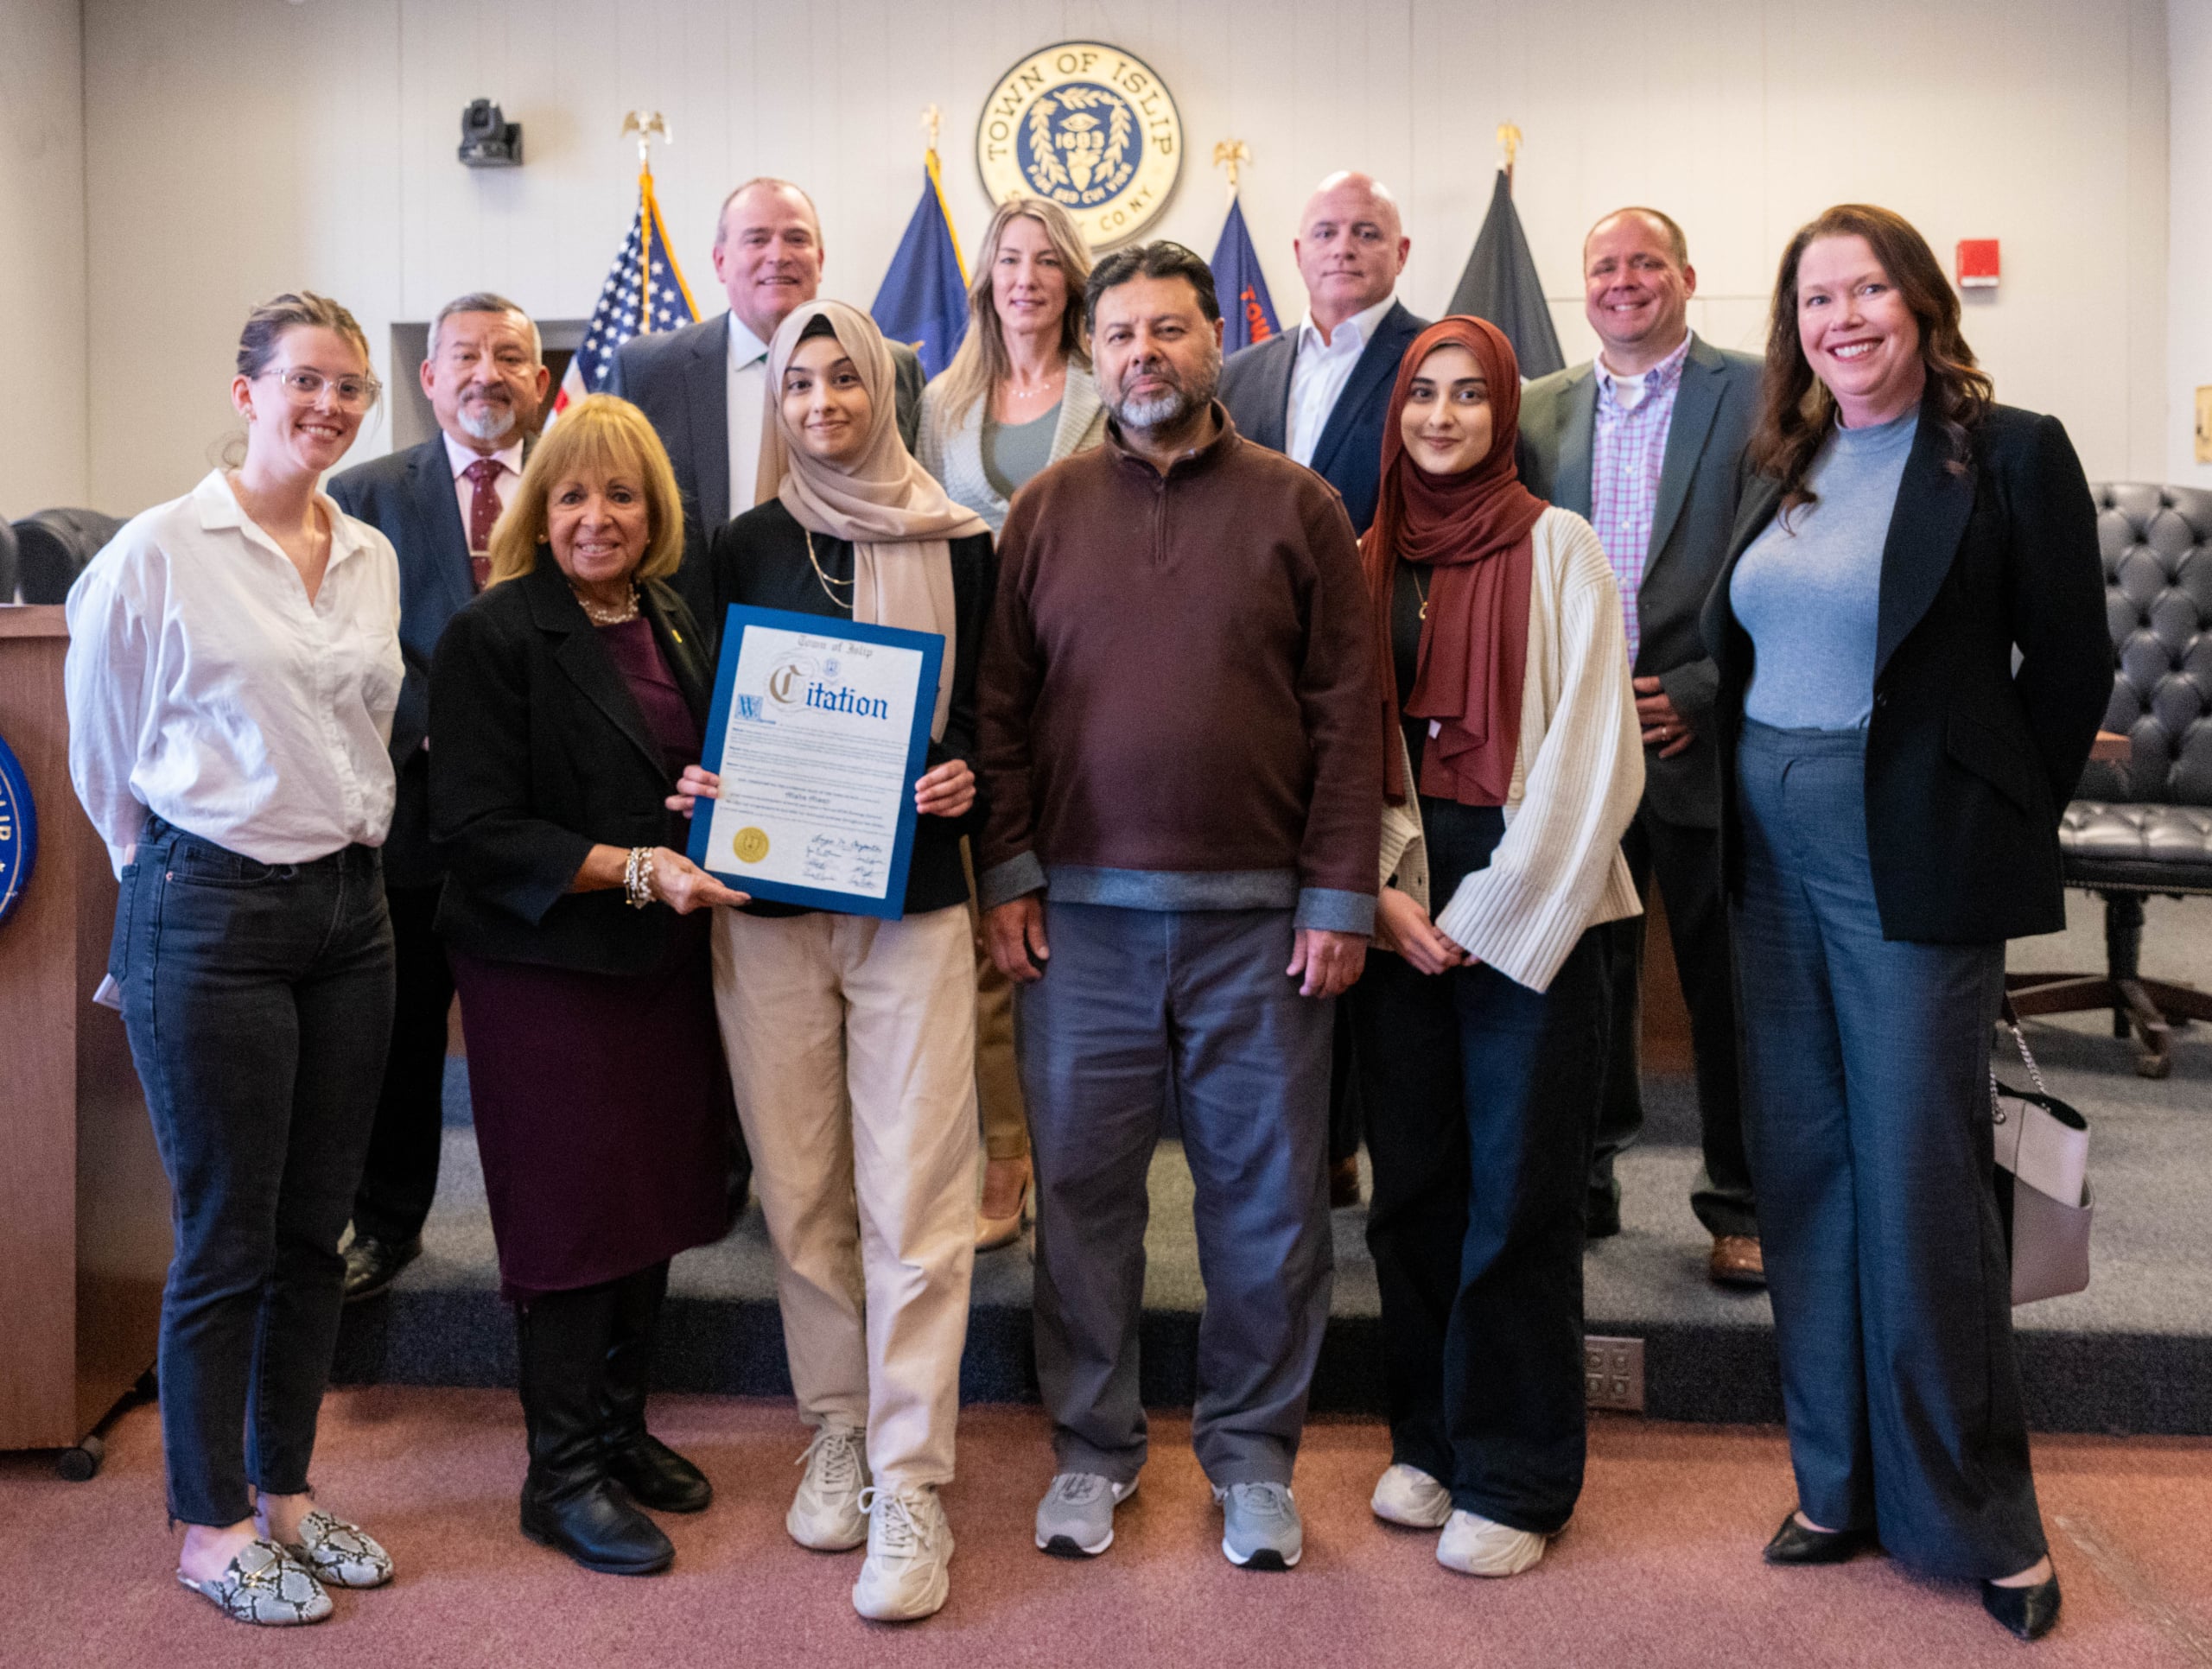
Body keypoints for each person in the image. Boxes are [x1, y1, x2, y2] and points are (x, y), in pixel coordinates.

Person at [1702, 204, 2107, 1641]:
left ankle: (1980, 1518)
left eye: (1868, 288)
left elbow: (2072, 661)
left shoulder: (2008, 452)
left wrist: (1999, 817)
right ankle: (1842, 1482)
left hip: (1911, 852)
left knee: (1926, 1180)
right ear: (1793, 327)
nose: (1843, 318)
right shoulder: (1784, 455)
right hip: (1768, 845)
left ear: (1922, 303)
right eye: (1817, 298)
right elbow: (1742, 643)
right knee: (1804, 1168)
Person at [979, 242, 1379, 1573]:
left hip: (1261, 928)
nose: (1142, 354)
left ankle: (1254, 1459)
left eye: (1168, 330)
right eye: (1119, 336)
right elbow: (1002, 716)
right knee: (1083, 1200)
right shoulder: (1040, 509)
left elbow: (1346, 718)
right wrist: (1010, 873)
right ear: (1091, 356)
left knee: (1265, 1206)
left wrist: (1336, 895)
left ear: (1220, 340)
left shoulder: (1300, 506)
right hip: (1080, 926)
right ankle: (1094, 1451)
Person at [64, 292, 402, 1626]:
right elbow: (104, 756)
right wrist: (178, 867)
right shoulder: (157, 551)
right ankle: (207, 1523)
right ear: (248, 389)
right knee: (225, 1234)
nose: (329, 407)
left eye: (353, 390)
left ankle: (287, 1492)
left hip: (351, 916)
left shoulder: (367, 551)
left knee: (315, 1230)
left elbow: (366, 725)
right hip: (206, 912)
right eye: (306, 382)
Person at [675, 301, 990, 1622]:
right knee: (803, 1190)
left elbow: (999, 711)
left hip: (914, 906)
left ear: (883, 390)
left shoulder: (966, 542)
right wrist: (693, 781)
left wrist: (975, 768)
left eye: (842, 379)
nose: (819, 403)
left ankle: (913, 1478)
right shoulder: (738, 543)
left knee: (916, 1194)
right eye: (797, 383)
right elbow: (697, 710)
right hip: (770, 911)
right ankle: (838, 1425)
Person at [428, 393, 747, 1579]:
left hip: (658, 962)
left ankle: (617, 1432)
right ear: (536, 509)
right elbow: (473, 826)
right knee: (572, 1218)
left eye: (622, 494)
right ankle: (556, 1475)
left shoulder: (669, 615)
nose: (598, 517)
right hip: (544, 972)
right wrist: (638, 868)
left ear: (656, 511)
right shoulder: (495, 632)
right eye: (572, 495)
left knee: (652, 1199)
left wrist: (710, 800)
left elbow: (672, 766)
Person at [1350, 317, 1643, 1578]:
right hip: (1399, 896)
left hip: (1537, 891)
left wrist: (1491, 910)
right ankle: (1429, 1440)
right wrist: (1377, 893)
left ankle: (1518, 1476)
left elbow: (1592, 755)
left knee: (1519, 1195)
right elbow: (1334, 745)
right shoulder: (1362, 559)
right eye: (1425, 393)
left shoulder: (1561, 546)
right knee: (1413, 1190)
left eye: (1472, 396)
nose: (1445, 416)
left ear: (1505, 411)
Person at [1517, 208, 1765, 1282]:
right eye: (1604, 267)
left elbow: (1784, 549)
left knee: (1727, 987)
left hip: (1699, 732)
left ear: (1686, 277)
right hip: (1576, 739)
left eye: (1644, 263)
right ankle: (1582, 1180)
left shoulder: (1759, 393)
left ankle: (1741, 1201)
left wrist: (1709, 687)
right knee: (1582, 977)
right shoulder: (1537, 408)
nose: (1623, 281)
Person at [327, 291, 550, 1303]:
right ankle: (385, 1224)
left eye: (510, 356)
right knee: (404, 1041)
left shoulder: (577, 483)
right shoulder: (364, 493)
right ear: (428, 377)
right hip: (410, 813)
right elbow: (341, 645)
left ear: (539, 381)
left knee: (538, 1046)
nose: (486, 374)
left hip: (542, 820)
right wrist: (439, 726)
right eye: (464, 355)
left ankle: (551, 1235)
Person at [1219, 169, 1427, 1205]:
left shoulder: (1436, 362)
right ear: (1294, 254)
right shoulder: (1244, 372)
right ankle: (1325, 1144)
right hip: (1253, 691)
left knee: (1366, 913)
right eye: (1323, 233)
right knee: (1291, 920)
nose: (1342, 248)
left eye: (1365, 232)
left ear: (1400, 252)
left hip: (1390, 676)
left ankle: (1392, 1153)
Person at [915, 194, 1106, 1250]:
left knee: (1073, 936)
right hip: (971, 697)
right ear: (983, 276)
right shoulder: (939, 402)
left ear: (1072, 278)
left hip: (1085, 692)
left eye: (1045, 260)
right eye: (1008, 259)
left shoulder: (1104, 388)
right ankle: (1004, 1158)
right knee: (988, 933)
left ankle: (1081, 1154)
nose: (1025, 277)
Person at [611, 177, 925, 628]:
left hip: (854, 638)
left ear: (819, 261)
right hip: (691, 645)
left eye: (796, 238)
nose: (778, 254)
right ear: (720, 262)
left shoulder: (890, 367)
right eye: (756, 239)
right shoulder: (647, 372)